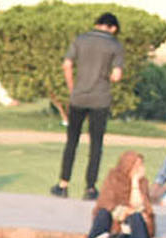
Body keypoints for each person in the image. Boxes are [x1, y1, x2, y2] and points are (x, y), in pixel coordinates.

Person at [53, 11, 123, 199]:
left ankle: (63, 184)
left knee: (72, 142)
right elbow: (117, 75)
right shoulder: (114, 44)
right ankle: (90, 188)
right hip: (100, 99)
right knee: (96, 144)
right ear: (113, 28)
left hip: (78, 98)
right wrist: (106, 77)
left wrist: (72, 88)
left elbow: (66, 64)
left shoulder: (80, 39)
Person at [85, 149, 154, 238]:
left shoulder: (142, 182)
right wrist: (124, 211)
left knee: (136, 217)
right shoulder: (113, 178)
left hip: (132, 222)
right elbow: (105, 203)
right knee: (103, 214)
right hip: (114, 220)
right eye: (137, 166)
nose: (141, 169)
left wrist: (135, 182)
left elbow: (142, 208)